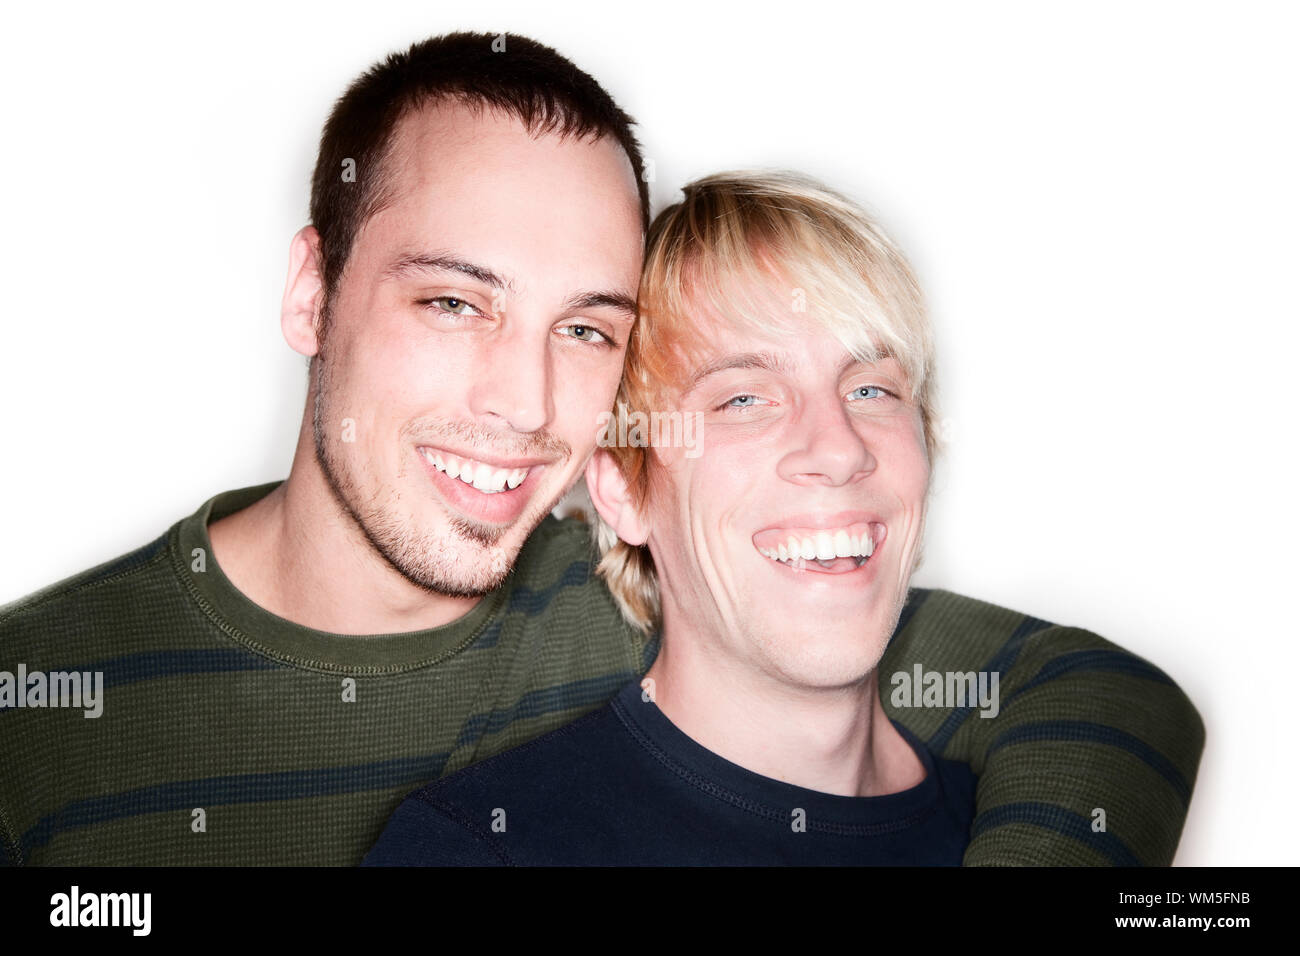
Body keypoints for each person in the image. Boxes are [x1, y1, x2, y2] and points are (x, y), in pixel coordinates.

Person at [0, 34, 1202, 866]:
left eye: (583, 328)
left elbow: (1098, 696)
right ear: (314, 292)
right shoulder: (38, 709)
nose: (524, 401)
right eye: (454, 303)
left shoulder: (658, 604)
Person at [364, 171, 1201, 865]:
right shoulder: (478, 848)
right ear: (624, 489)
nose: (838, 449)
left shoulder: (1030, 830)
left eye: (872, 388)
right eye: (743, 399)